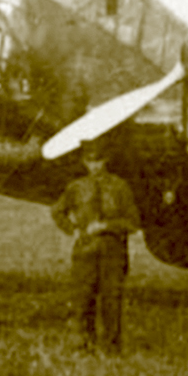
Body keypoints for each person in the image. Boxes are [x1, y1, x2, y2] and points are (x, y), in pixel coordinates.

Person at [51, 140, 142, 352]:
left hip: (113, 253)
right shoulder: (76, 187)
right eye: (90, 161)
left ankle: (111, 348)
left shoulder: (120, 187)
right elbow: (57, 210)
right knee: (83, 300)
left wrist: (107, 226)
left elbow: (133, 222)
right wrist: (71, 229)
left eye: (99, 160)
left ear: (106, 161)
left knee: (112, 301)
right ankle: (84, 344)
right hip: (85, 252)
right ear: (84, 162)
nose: (95, 165)